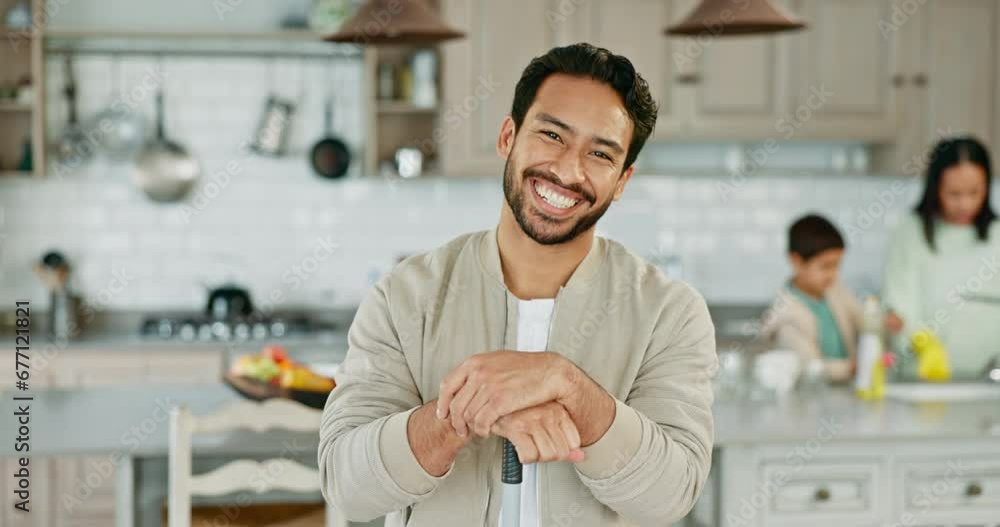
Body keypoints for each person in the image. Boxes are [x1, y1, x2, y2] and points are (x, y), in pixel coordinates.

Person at [318, 43, 718, 527]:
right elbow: (348, 488)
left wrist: (565, 384)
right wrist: (465, 413)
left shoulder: (669, 313)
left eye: (600, 153)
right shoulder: (406, 295)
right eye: (552, 134)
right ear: (509, 136)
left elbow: (669, 497)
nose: (569, 170)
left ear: (622, 180)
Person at [883, 137, 1000, 380]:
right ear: (935, 187)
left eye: (974, 192)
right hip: (922, 379)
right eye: (954, 194)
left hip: (989, 384)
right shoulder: (911, 233)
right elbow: (899, 309)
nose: (964, 204)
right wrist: (922, 342)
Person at [761, 214, 863, 382]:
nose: (833, 274)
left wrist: (884, 323)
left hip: (846, 390)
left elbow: (864, 320)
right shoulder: (785, 315)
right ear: (796, 261)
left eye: (837, 265)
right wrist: (852, 368)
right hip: (810, 396)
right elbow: (810, 367)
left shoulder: (835, 291)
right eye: (825, 266)